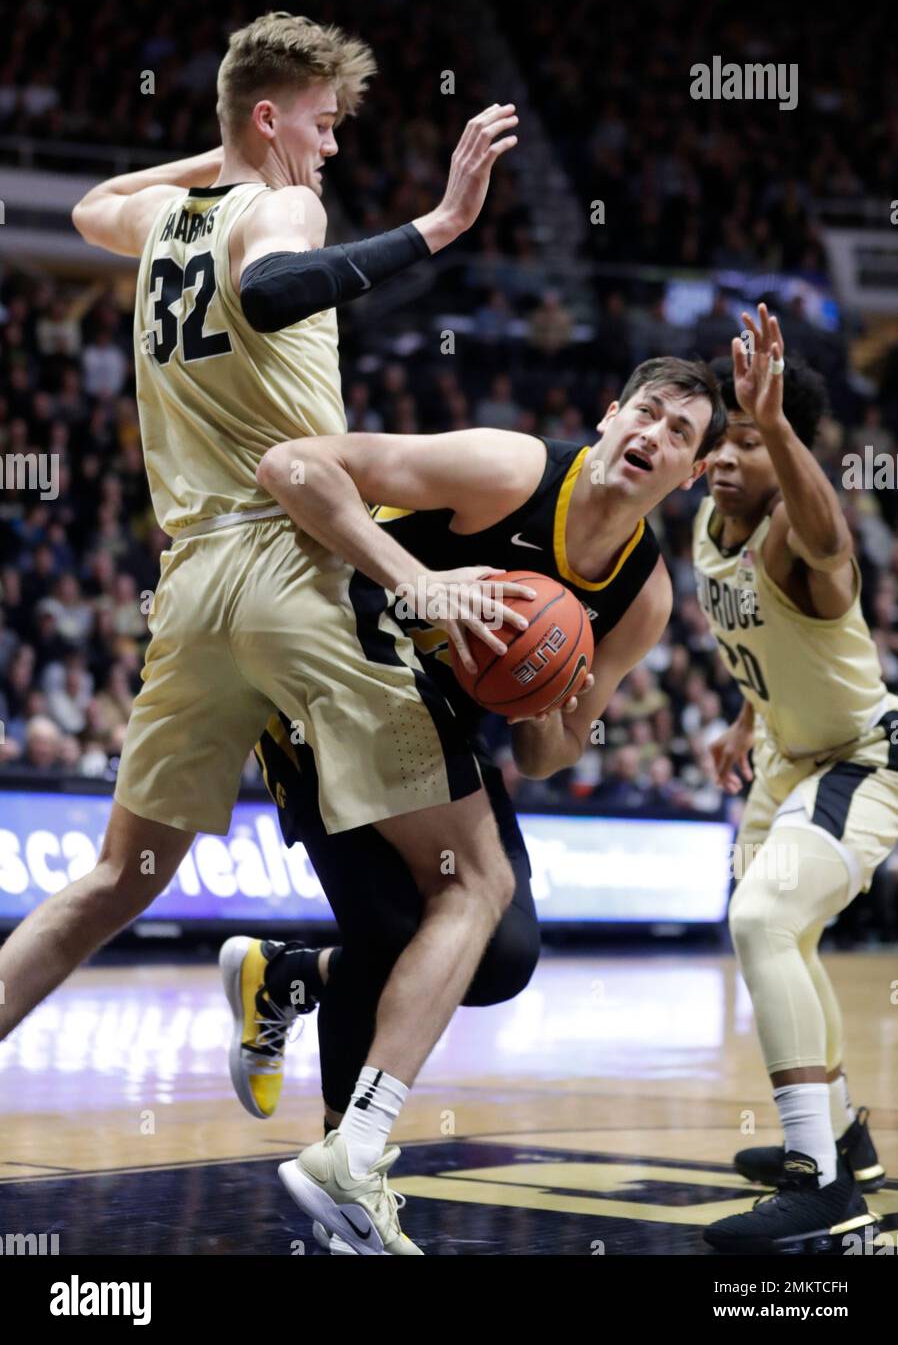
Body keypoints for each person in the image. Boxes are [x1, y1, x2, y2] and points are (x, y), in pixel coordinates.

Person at [0, 11, 530, 1257]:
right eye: (323, 125)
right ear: (269, 118)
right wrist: (437, 230)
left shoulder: (155, 225)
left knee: (114, 885)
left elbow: (94, 203)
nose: (332, 152)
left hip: (189, 589)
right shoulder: (278, 213)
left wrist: (218, 162)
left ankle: (296, 995)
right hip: (294, 570)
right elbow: (271, 283)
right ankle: (358, 1155)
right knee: (476, 880)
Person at [220, 355, 726, 1251]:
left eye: (679, 434)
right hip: (331, 658)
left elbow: (548, 750)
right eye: (646, 412)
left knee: (499, 959)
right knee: (407, 926)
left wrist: (546, 699)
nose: (654, 434)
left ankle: (290, 979)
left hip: (433, 724)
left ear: (687, 475)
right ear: (609, 416)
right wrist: (419, 579)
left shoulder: (642, 600)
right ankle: (353, 1176)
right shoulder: (509, 470)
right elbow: (293, 467)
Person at [695, 307, 896, 1254]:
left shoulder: (792, 531)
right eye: (722, 440)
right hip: (783, 753)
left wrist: (776, 424)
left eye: (749, 443)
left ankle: (818, 1180)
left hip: (860, 756)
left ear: (785, 453)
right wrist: (744, 717)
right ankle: (847, 1140)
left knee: (764, 922)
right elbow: (758, 635)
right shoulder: (706, 521)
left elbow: (829, 552)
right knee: (785, 933)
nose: (727, 457)